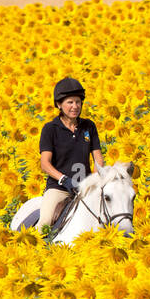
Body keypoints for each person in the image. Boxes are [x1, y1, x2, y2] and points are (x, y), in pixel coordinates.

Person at [38, 76, 105, 234]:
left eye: (78, 102)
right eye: (70, 102)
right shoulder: (50, 129)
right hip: (59, 188)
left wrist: (93, 182)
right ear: (59, 105)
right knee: (45, 223)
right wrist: (64, 179)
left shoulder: (89, 126)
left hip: (85, 188)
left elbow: (98, 159)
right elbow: (45, 164)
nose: (75, 106)